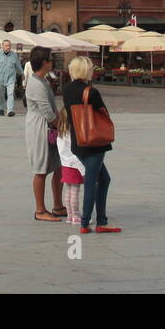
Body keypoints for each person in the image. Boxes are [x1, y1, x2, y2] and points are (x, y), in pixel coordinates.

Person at [62, 56, 118, 234]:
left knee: (104, 179)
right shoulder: (90, 92)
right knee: (92, 180)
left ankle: (101, 220)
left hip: (78, 141)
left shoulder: (67, 89)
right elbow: (104, 113)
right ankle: (87, 223)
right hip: (94, 142)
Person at [25, 47, 66, 222]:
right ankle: (40, 210)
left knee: (58, 167)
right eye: (50, 60)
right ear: (44, 63)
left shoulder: (43, 81)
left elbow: (52, 110)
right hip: (40, 129)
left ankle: (58, 205)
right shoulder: (36, 84)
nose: (52, 62)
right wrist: (63, 128)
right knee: (40, 169)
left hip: (49, 127)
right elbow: (47, 113)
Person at [55, 107, 86, 228]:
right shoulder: (72, 134)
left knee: (68, 191)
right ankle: (76, 216)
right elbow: (75, 153)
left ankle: (69, 215)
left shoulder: (60, 134)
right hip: (74, 166)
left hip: (65, 165)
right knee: (75, 192)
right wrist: (83, 169)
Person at [0, 39, 21, 117]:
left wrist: (22, 74)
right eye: (7, 45)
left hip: (11, 77)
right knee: (1, 94)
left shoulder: (14, 55)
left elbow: (18, 66)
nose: (8, 47)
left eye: (9, 45)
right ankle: (1, 109)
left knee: (10, 94)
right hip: (0, 78)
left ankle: (10, 111)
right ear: (2, 46)